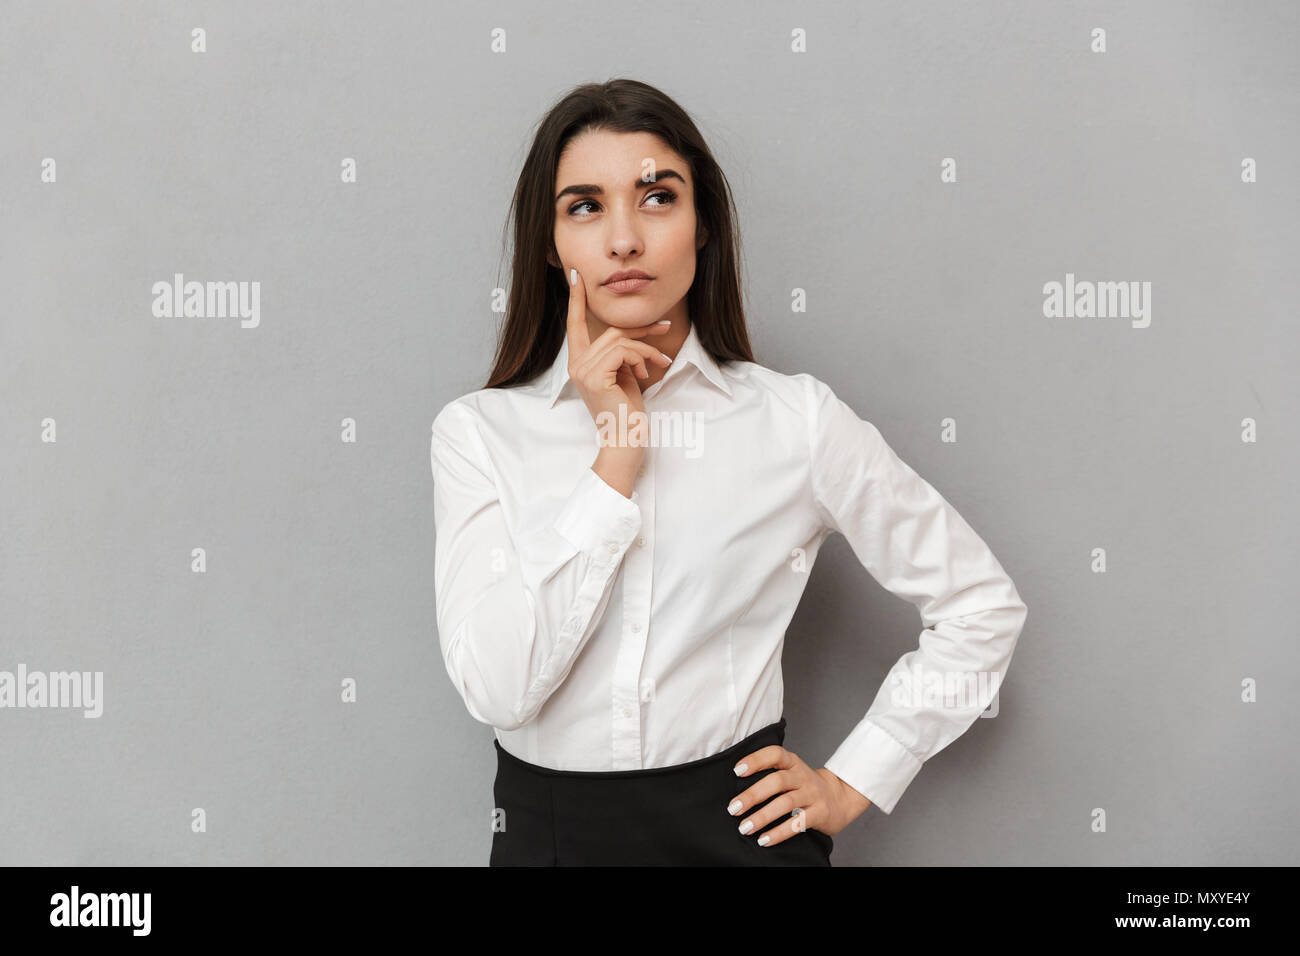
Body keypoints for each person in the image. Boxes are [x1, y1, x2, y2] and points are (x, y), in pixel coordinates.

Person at [430, 78, 1028, 866]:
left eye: (656, 198)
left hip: (739, 840)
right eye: (584, 206)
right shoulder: (479, 433)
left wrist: (854, 781)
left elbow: (980, 607)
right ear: (549, 243)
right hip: (548, 840)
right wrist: (615, 457)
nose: (623, 241)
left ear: (702, 222)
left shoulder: (794, 422)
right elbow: (498, 692)